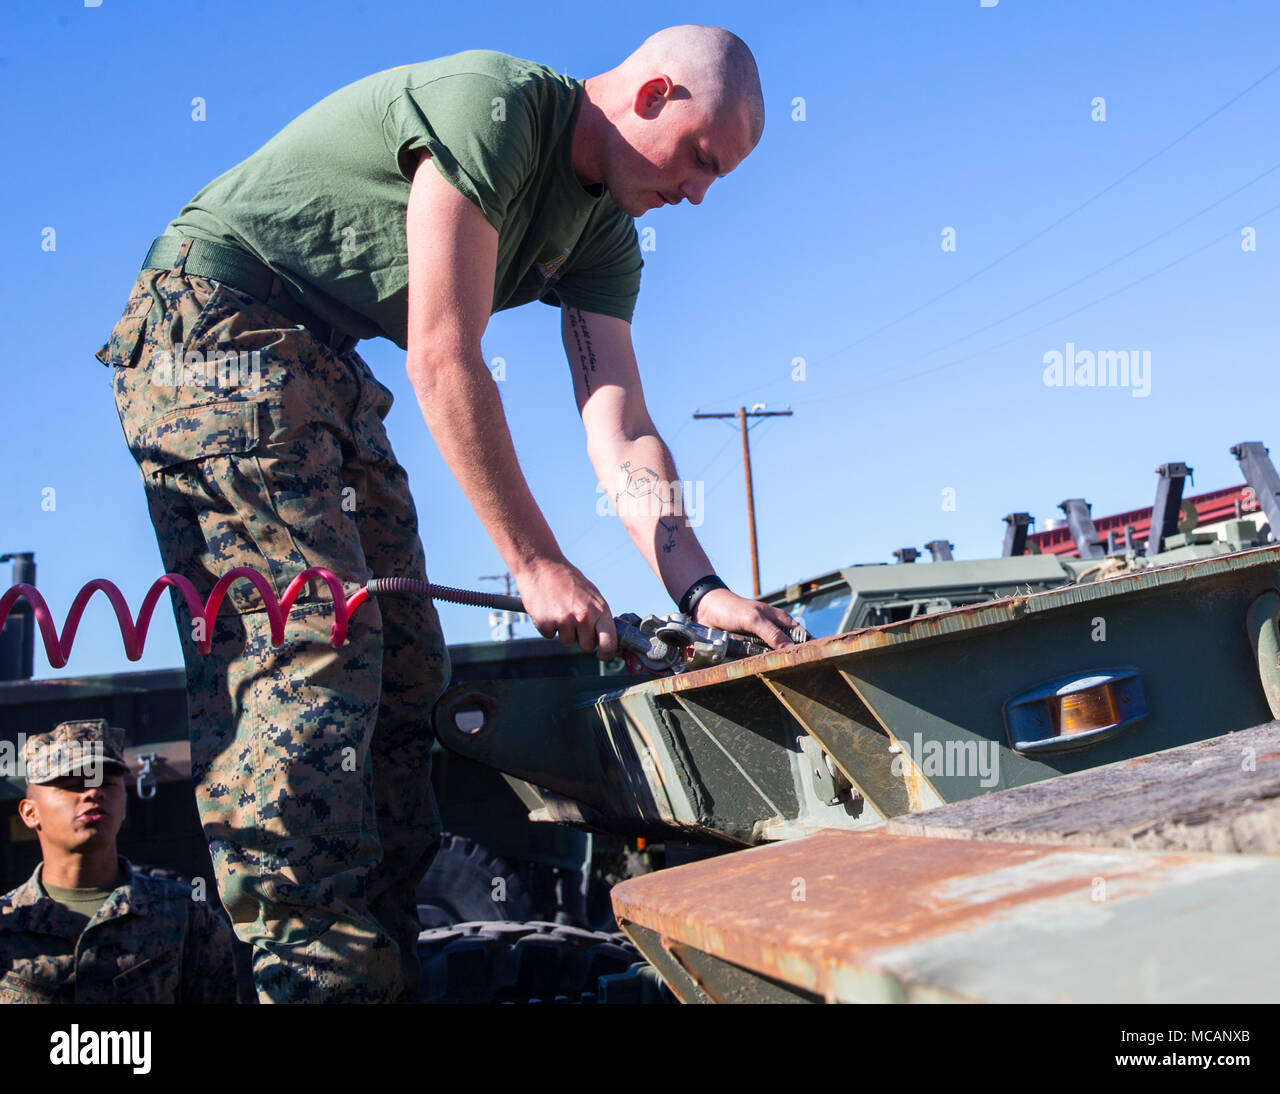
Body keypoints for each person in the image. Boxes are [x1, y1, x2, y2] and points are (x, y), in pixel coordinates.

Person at [94, 24, 800, 1003]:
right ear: (651, 96)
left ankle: (378, 970)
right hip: (211, 318)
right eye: (700, 157)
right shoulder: (497, 107)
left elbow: (622, 424)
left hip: (320, 356)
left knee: (409, 674)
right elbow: (441, 353)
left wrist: (701, 586)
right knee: (313, 654)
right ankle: (310, 981)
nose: (699, 191)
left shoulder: (603, 235)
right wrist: (535, 560)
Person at [0, 719, 238, 1003]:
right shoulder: (7, 922)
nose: (93, 792)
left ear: (124, 802)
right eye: (73, 783)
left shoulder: (185, 916)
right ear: (30, 813)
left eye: (108, 783)